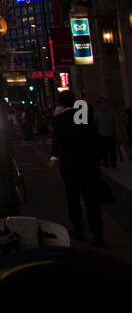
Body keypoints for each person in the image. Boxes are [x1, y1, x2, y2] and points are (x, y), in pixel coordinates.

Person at [50, 90, 106, 246]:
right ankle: (98, 232)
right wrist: (98, 158)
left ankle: (79, 228)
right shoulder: (84, 117)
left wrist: (54, 157)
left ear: (61, 103)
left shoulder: (59, 119)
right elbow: (95, 137)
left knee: (72, 196)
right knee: (91, 198)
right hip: (88, 163)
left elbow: (57, 142)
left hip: (69, 164)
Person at [93, 97, 118, 167]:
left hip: (112, 134)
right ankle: (106, 162)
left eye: (105, 103)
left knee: (112, 150)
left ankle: (113, 163)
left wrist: (117, 133)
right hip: (101, 134)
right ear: (99, 104)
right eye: (102, 103)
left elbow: (115, 123)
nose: (104, 104)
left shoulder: (112, 113)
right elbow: (96, 124)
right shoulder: (97, 113)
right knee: (104, 150)